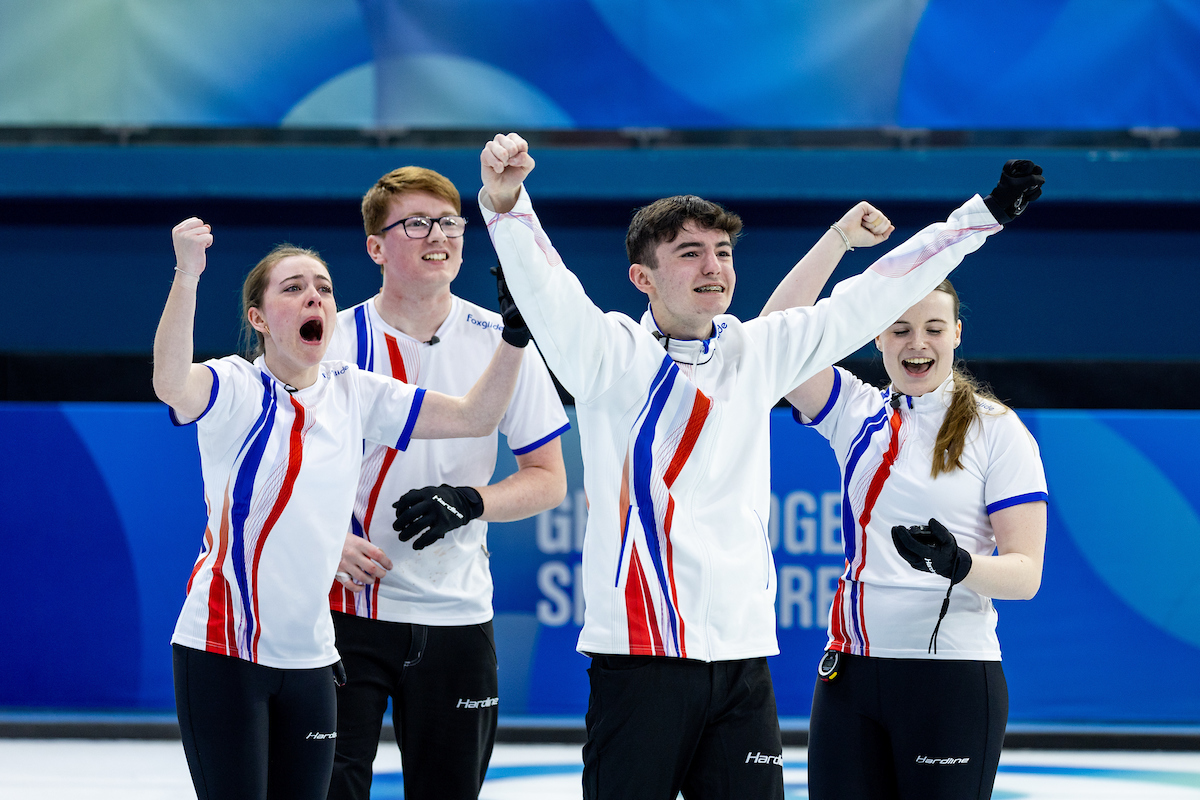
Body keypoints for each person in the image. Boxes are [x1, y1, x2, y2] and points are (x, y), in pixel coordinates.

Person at [477, 133, 1044, 800]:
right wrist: (507, 202)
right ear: (643, 277)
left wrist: (983, 216)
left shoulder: (756, 352)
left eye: (722, 252)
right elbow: (549, 291)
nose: (713, 266)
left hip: (744, 664)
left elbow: (873, 294)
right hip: (643, 659)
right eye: (689, 253)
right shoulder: (610, 355)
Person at [153, 218, 527, 800]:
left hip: (313, 658)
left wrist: (514, 336)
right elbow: (172, 383)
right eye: (294, 287)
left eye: (324, 288)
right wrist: (187, 275)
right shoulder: (235, 387)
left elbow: (473, 418)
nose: (315, 298)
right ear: (258, 318)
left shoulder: (352, 388)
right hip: (224, 647)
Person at [761, 165, 1048, 800]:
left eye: (934, 329)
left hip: (951, 681)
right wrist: (836, 239)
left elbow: (1026, 574)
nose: (917, 344)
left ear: (957, 336)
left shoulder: (999, 432)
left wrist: (959, 564)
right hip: (849, 678)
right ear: (878, 337)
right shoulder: (853, 411)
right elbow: (774, 337)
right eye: (899, 328)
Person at [322, 166, 569, 800]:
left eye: (450, 223)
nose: (439, 236)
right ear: (376, 246)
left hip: (455, 615)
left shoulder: (506, 341)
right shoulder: (331, 344)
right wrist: (324, 539)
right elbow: (274, 467)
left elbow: (547, 481)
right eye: (416, 223)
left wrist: (471, 501)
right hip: (343, 612)